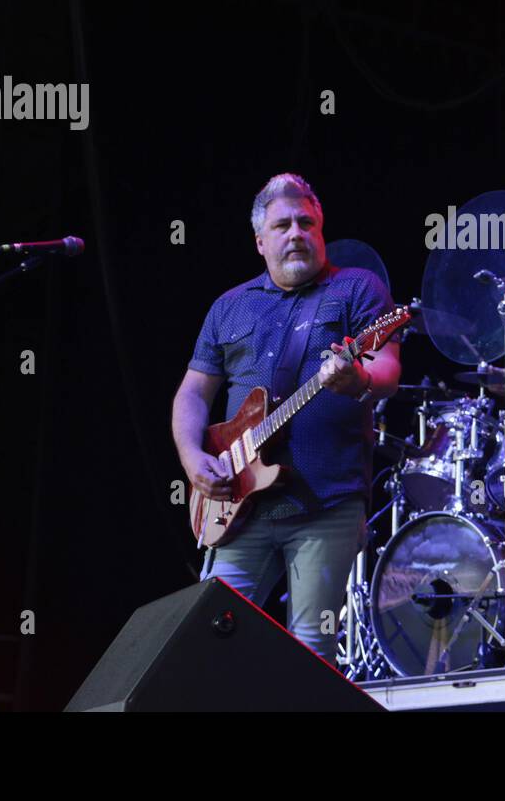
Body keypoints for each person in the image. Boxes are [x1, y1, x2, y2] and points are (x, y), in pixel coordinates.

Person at [171, 173, 400, 663]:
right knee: (205, 646)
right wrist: (193, 460)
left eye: (306, 222)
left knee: (310, 652)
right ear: (260, 241)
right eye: (282, 225)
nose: (296, 232)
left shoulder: (356, 289)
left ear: (320, 230)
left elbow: (387, 370)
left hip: (326, 503)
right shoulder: (230, 307)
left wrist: (356, 380)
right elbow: (192, 393)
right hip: (237, 504)